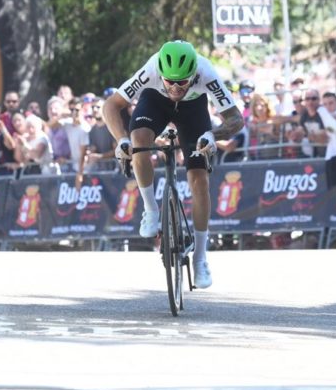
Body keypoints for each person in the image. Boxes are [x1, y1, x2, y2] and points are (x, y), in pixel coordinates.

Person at [103, 40, 243, 289]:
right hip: (155, 102)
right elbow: (111, 105)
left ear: (194, 74)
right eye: (171, 81)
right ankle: (151, 210)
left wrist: (213, 135)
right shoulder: (152, 69)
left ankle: (200, 258)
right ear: (162, 73)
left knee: (199, 179)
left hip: (193, 109)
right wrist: (121, 139)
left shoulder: (206, 71)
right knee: (138, 141)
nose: (176, 87)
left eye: (182, 81)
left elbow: (235, 119)